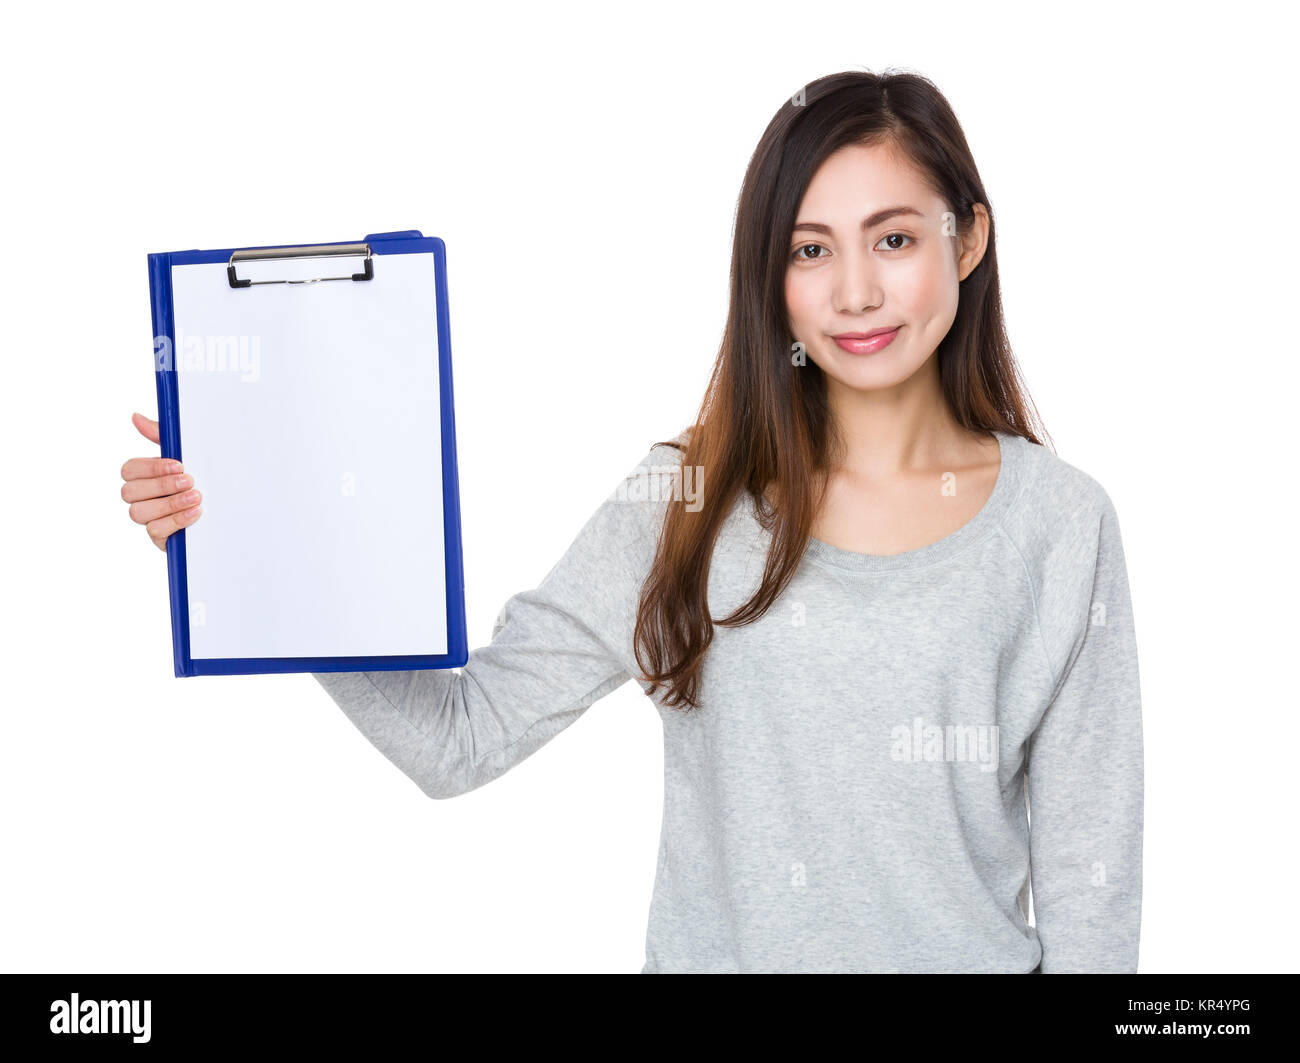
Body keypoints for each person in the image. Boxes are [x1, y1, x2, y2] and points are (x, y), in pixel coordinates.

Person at [121, 69, 1142, 974]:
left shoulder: (1058, 525)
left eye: (894, 237)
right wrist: (269, 540)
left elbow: (1091, 893)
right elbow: (460, 738)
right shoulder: (686, 501)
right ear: (770, 279)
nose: (855, 290)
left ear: (967, 239)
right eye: (808, 249)